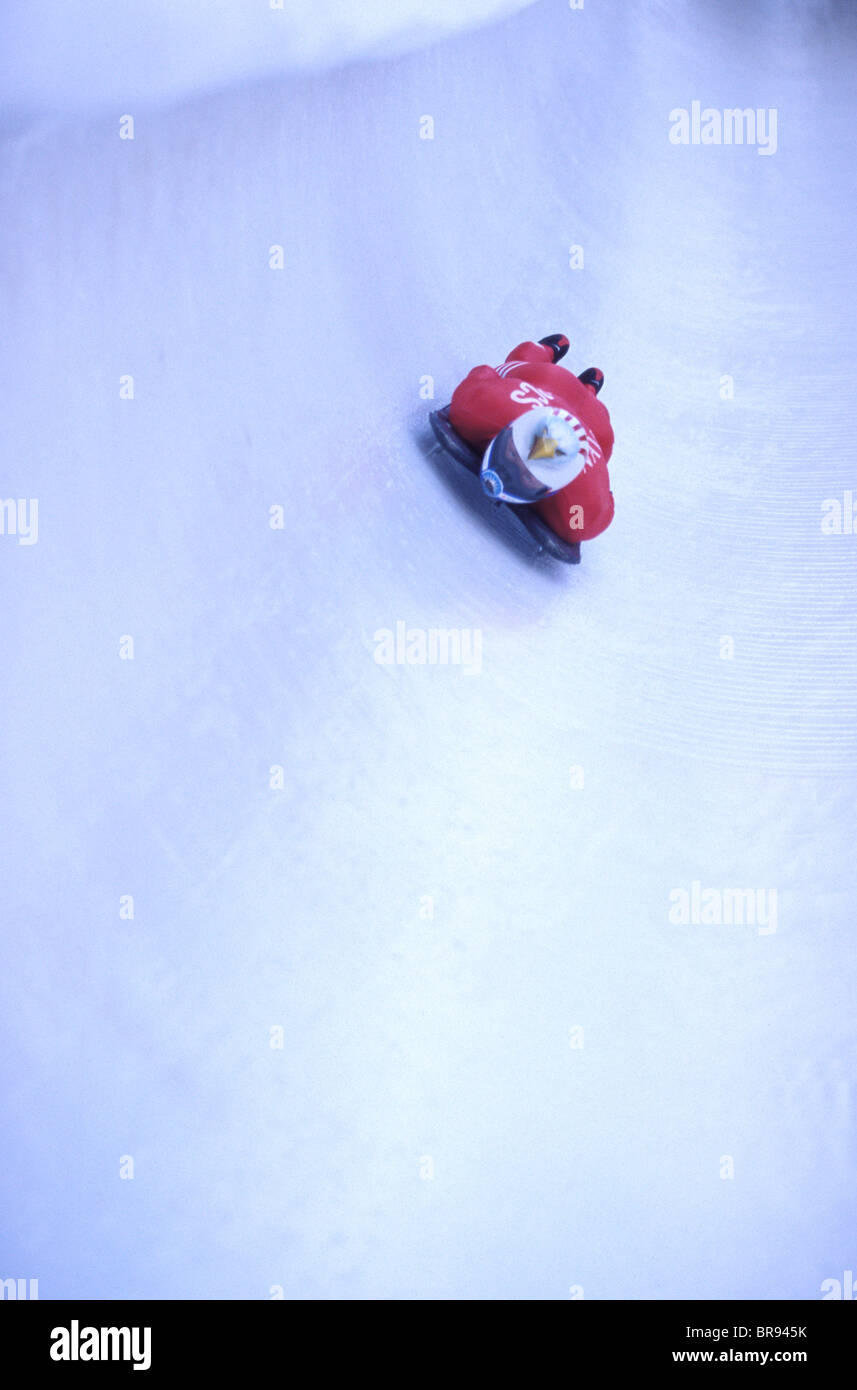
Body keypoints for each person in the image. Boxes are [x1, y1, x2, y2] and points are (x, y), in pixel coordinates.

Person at [449, 335, 614, 544]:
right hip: (549, 380)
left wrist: (597, 474)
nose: (508, 472)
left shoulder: (580, 516)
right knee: (522, 363)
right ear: (510, 430)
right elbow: (494, 373)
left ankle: (589, 392)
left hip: (592, 423)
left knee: (603, 440)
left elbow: (603, 503)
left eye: (528, 476)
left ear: (552, 487)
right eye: (512, 453)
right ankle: (549, 352)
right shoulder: (477, 407)